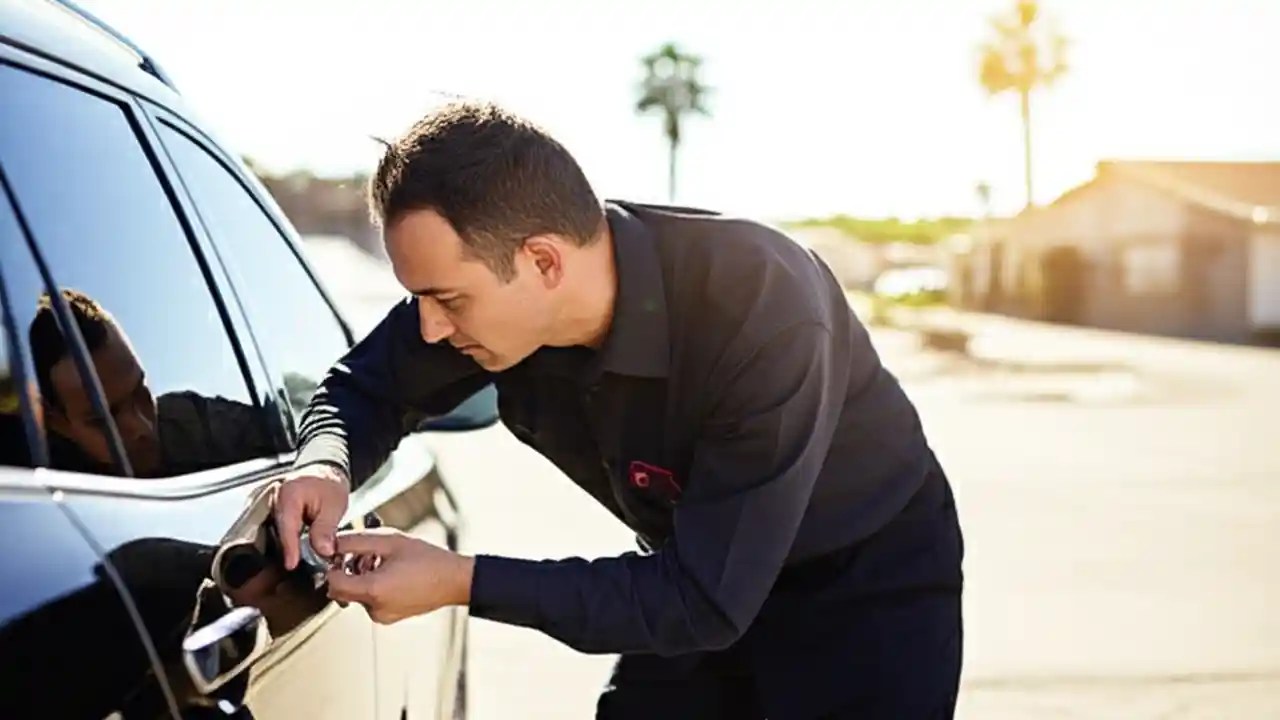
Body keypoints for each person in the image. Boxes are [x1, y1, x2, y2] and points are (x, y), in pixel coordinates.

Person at [272, 99, 964, 719]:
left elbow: (705, 599)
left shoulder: (761, 306)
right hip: (685, 579)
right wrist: (326, 464)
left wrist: (461, 581)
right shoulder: (485, 294)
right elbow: (363, 388)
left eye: (447, 300)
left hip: (860, 591)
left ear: (544, 262)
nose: (427, 331)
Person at [28, 289, 274, 477]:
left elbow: (296, 443)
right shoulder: (38, 487)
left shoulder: (201, 427)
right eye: (105, 419)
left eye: (141, 392)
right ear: (58, 423)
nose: (142, 427)